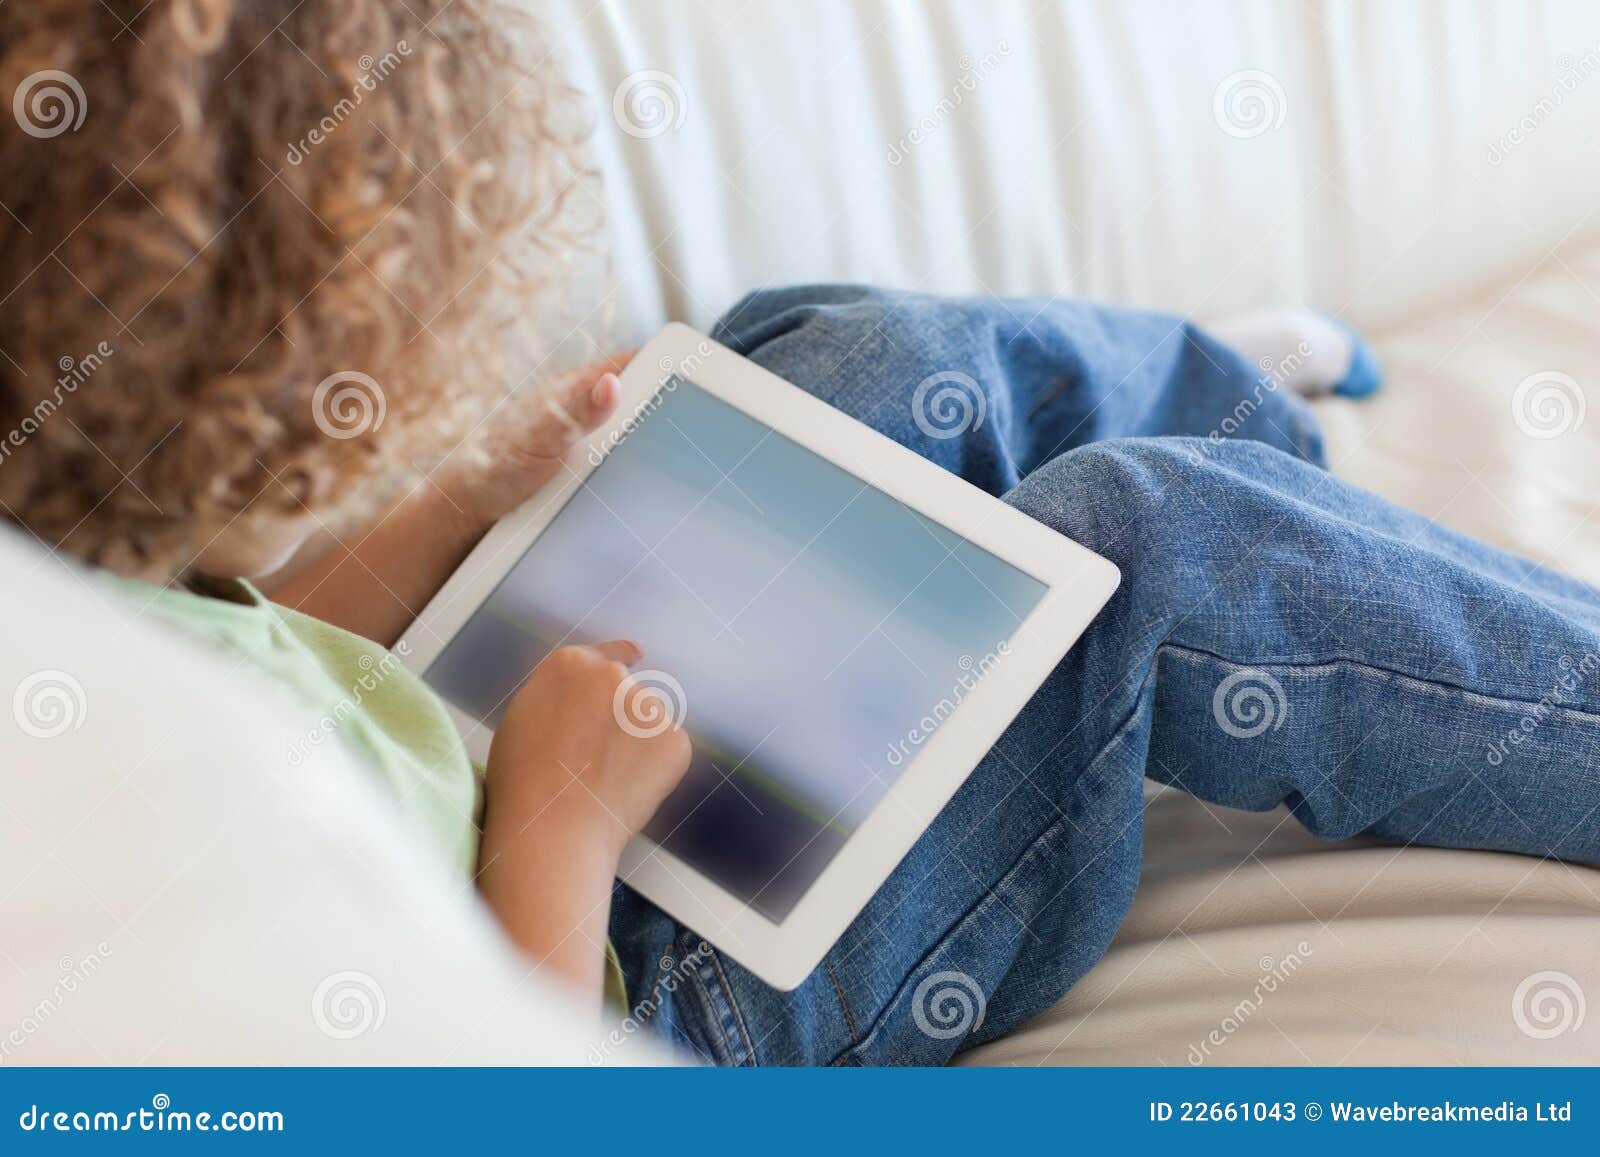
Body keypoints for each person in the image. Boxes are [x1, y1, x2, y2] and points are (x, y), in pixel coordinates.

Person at [3, 1, 1595, 1067]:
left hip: (521, 740)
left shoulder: (83, 541)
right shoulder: (101, 826)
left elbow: (283, 640)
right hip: (659, 985)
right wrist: (555, 826)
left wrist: (476, 493)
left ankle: (1256, 397)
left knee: (808, 359)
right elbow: (489, 1072)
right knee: (1146, 543)